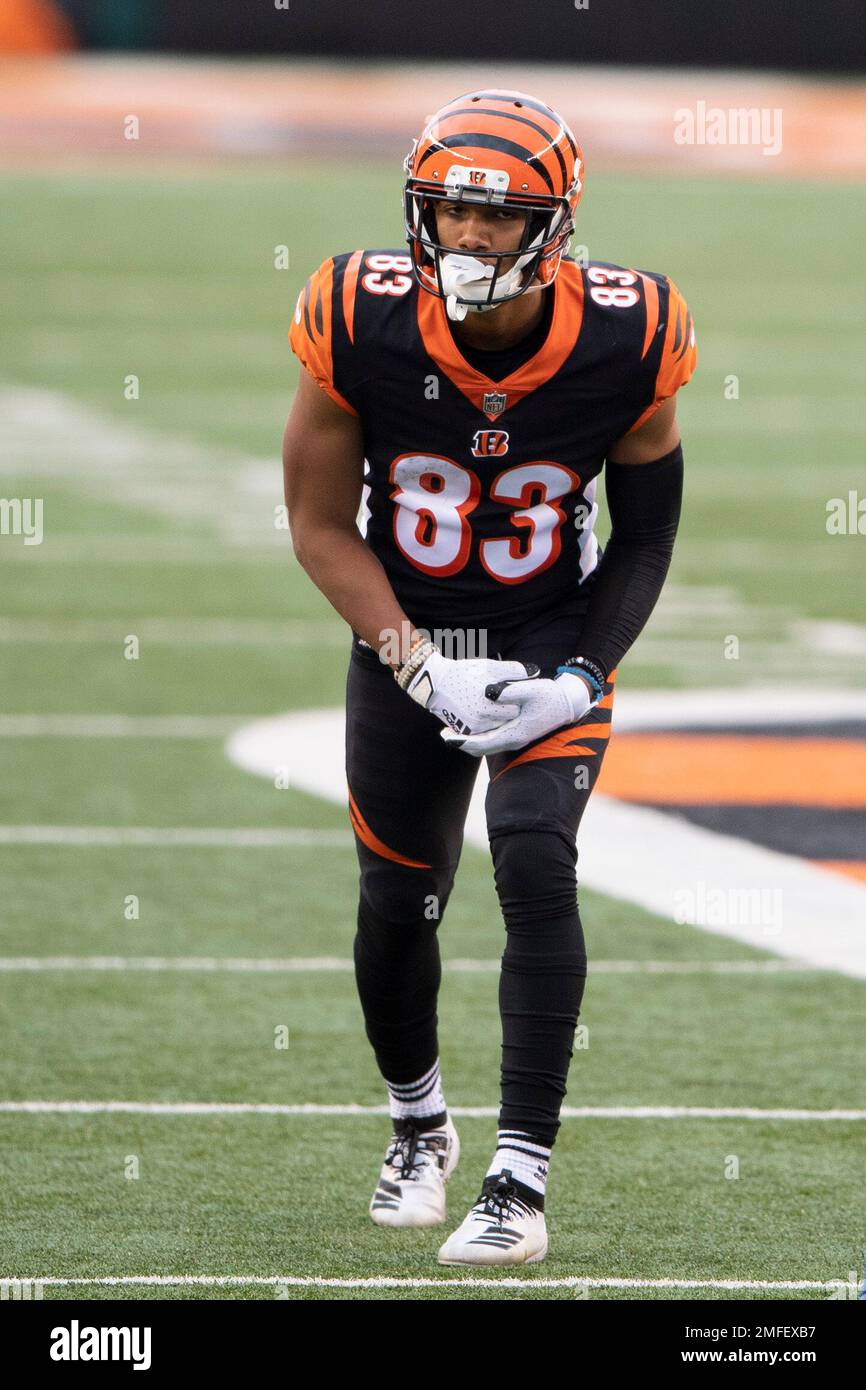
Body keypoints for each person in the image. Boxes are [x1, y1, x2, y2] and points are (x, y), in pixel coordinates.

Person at [283, 88, 696, 1266]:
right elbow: (318, 524)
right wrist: (413, 663)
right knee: (395, 901)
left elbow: (646, 535)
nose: (464, 237)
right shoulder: (357, 313)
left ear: (551, 226)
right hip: (404, 642)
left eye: (493, 216)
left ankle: (518, 1182)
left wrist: (578, 673)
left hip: (543, 637)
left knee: (532, 858)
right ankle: (420, 1124)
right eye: (446, 212)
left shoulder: (631, 331)